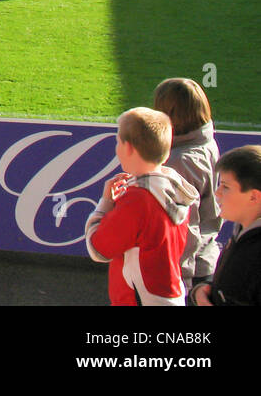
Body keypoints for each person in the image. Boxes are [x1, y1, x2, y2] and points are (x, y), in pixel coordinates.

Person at [84, 107, 197, 306]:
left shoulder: (137, 200)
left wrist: (106, 203)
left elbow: (98, 249)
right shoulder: (172, 187)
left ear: (128, 148)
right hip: (169, 295)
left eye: (118, 141)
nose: (117, 147)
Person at [153, 78, 221, 292]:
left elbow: (186, 226)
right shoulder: (204, 142)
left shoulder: (179, 162)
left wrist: (181, 281)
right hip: (204, 259)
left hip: (186, 272)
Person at [190, 145, 261, 306]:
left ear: (253, 197)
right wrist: (204, 290)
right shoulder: (243, 232)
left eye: (226, 187)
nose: (218, 192)